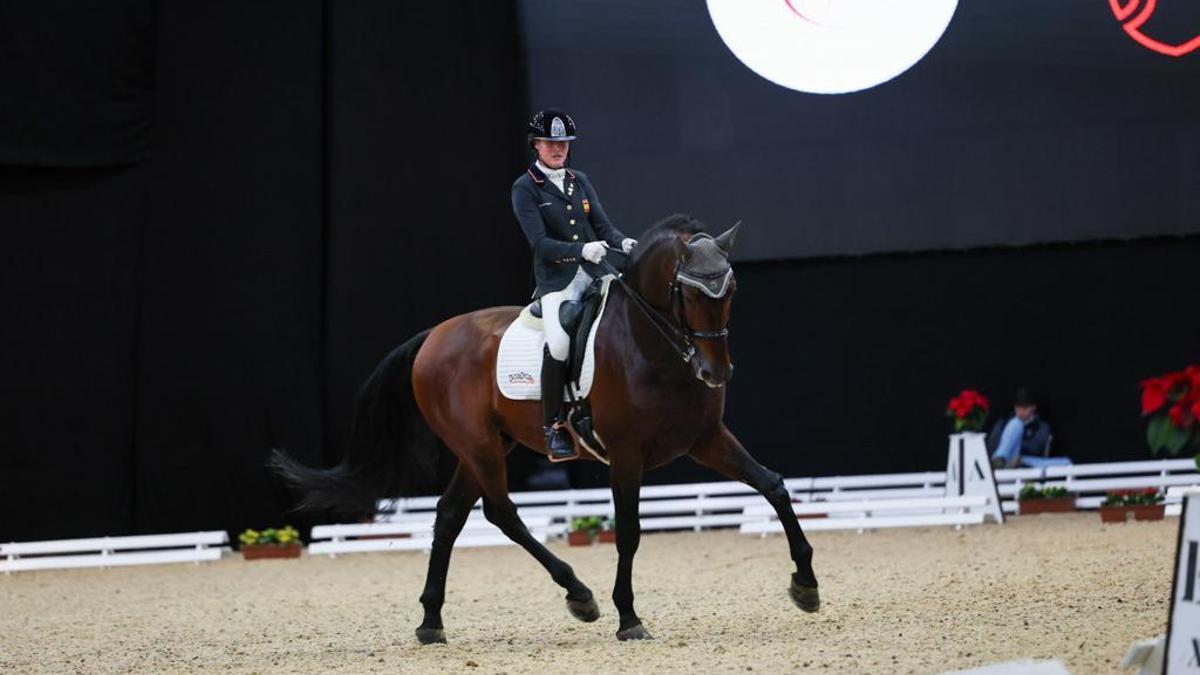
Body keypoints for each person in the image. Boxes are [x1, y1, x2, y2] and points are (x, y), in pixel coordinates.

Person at [511, 109, 636, 461]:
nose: (558, 149)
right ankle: (553, 426)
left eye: (563, 143)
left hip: (596, 273)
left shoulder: (579, 180)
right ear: (536, 145)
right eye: (551, 143)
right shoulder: (525, 188)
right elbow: (540, 243)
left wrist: (624, 243)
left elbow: (603, 226)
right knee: (560, 341)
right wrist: (581, 249)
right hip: (557, 282)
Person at [988, 388, 1070, 468]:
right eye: (1018, 407)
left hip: (1025, 460)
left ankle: (1003, 462)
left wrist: (1020, 439)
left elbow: (1036, 448)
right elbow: (992, 444)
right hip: (1005, 460)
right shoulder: (1004, 422)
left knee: (1066, 462)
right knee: (1016, 423)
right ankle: (999, 460)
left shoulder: (1040, 426)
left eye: (1025, 408)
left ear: (1033, 407)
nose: (1021, 411)